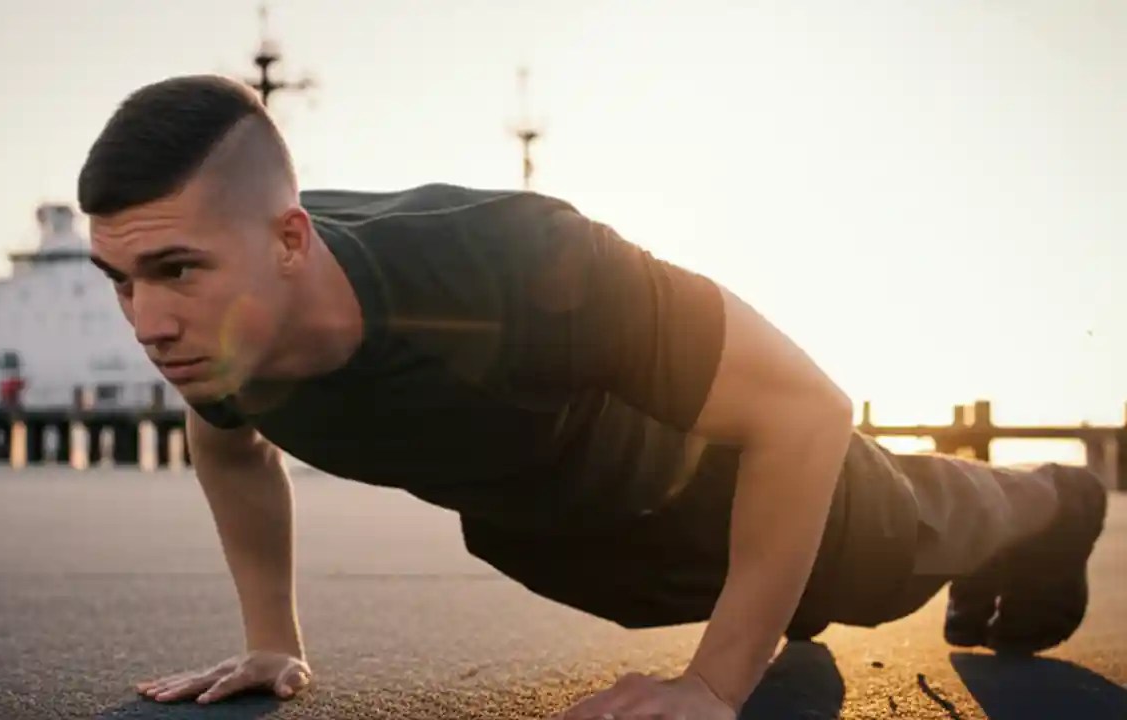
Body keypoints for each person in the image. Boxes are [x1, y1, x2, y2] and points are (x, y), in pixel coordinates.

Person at [77, 75, 1109, 719]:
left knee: (881, 555)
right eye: (119, 279)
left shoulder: (513, 262)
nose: (145, 322)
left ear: (289, 241)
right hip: (585, 532)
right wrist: (273, 640)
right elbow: (229, 450)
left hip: (727, 464)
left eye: (176, 271)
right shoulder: (223, 344)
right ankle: (793, 596)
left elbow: (803, 410)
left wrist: (712, 685)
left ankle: (1050, 504)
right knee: (739, 588)